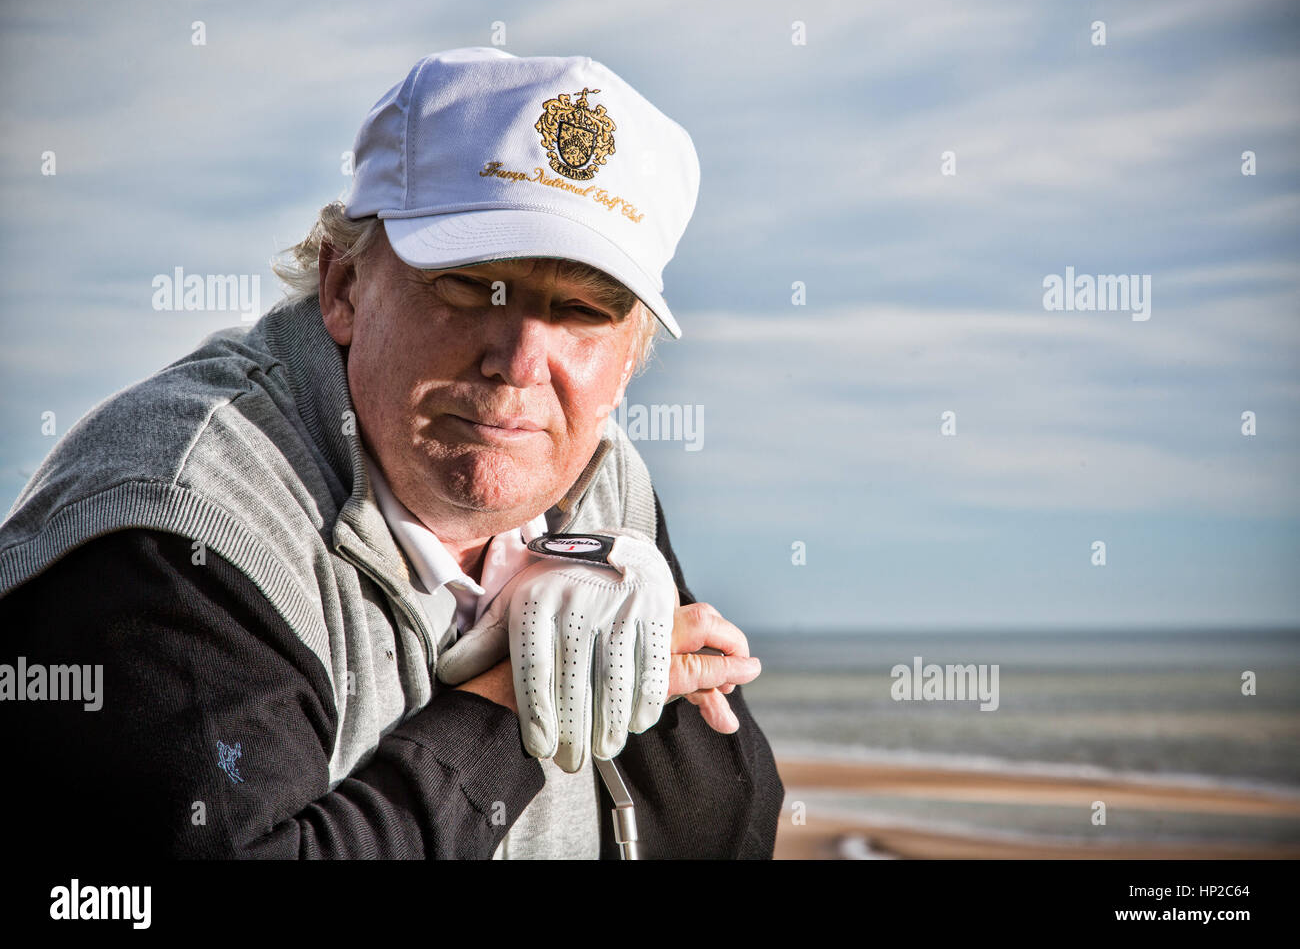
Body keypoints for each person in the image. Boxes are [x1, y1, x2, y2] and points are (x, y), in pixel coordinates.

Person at [0, 47, 783, 858]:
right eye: (474, 284)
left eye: (581, 310)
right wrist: (504, 713)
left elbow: (727, 824)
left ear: (628, 362)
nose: (519, 361)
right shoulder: (181, 530)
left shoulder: (596, 482)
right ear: (342, 286)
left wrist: (621, 589)